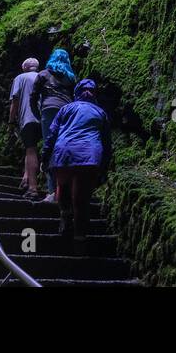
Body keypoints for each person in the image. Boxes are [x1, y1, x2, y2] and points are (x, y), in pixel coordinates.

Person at [44, 79, 110, 251]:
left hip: (64, 152)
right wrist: (104, 167)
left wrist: (45, 156)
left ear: (77, 92)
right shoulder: (100, 112)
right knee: (81, 199)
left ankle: (65, 217)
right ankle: (79, 239)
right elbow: (107, 143)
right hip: (89, 155)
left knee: (63, 187)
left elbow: (52, 134)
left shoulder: (66, 109)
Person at [31, 47, 76, 202]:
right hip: (67, 112)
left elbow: (34, 96)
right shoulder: (70, 78)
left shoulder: (43, 74)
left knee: (49, 148)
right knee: (64, 148)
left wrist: (38, 114)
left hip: (49, 111)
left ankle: (52, 190)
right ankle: (65, 189)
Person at [8, 58, 42, 198]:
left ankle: (33, 188)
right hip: (44, 118)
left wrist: (11, 121)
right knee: (34, 149)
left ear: (25, 68)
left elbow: (15, 101)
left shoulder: (20, 78)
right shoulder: (43, 76)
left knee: (30, 149)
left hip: (28, 118)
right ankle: (26, 178)